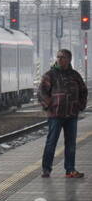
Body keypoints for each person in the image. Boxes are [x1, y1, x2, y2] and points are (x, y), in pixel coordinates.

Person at [38, 49, 87, 178]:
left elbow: (83, 91)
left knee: (70, 143)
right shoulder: (50, 75)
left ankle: (70, 169)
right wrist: (49, 106)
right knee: (51, 142)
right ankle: (46, 169)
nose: (60, 59)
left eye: (63, 57)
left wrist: (80, 105)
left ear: (69, 59)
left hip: (71, 115)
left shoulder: (75, 75)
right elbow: (42, 92)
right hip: (55, 115)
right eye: (58, 57)